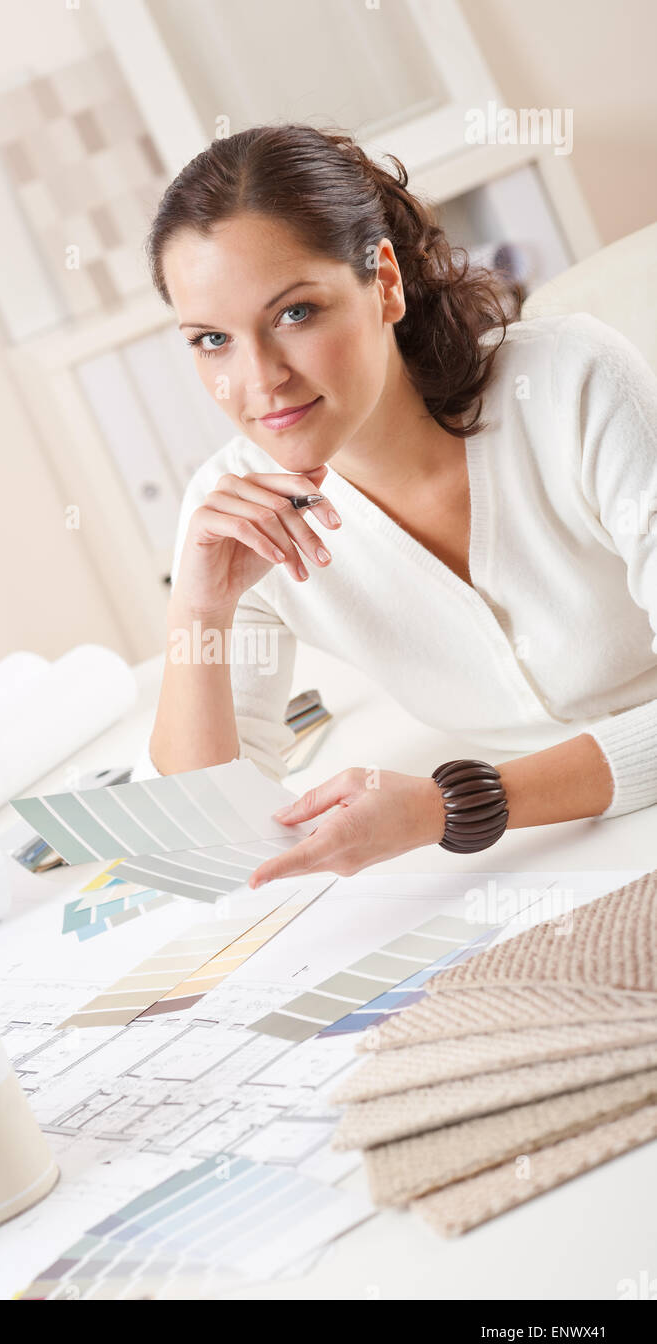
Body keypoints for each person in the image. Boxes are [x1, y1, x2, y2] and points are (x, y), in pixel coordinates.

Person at [131, 123, 657, 887]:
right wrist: (198, 611)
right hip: (544, 871)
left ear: (382, 281)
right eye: (213, 340)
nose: (260, 381)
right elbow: (201, 850)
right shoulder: (234, 513)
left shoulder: (574, 383)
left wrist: (458, 807)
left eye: (295, 313)